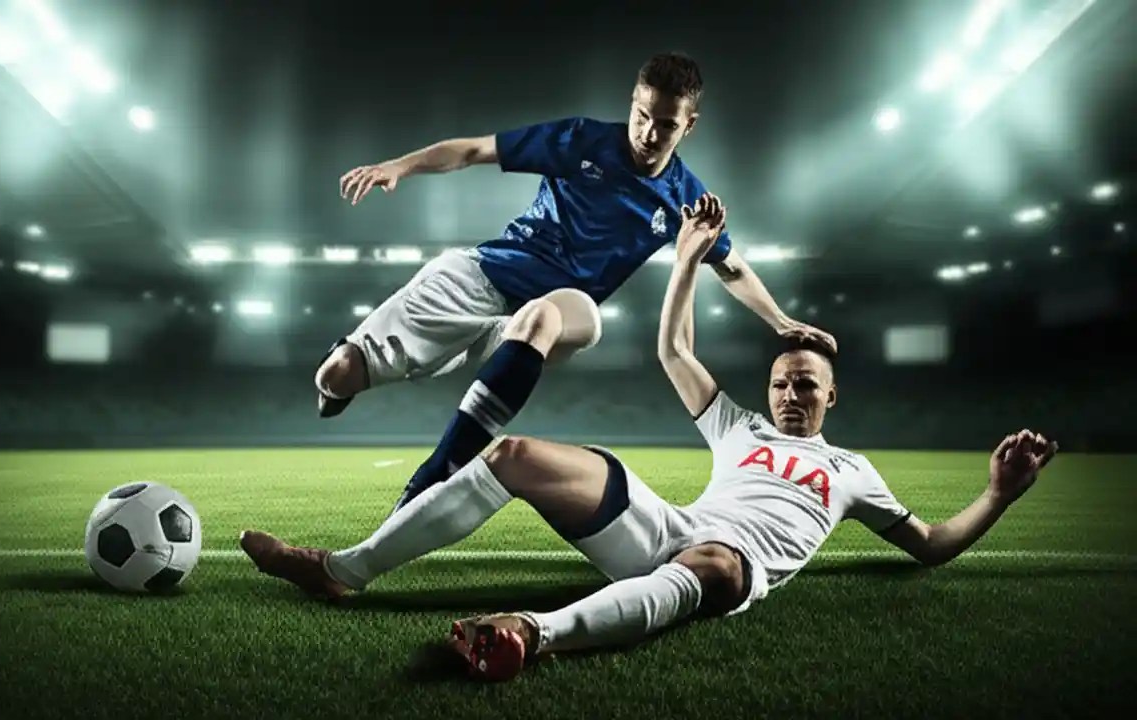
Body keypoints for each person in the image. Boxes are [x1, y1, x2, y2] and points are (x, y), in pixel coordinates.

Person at [240, 193, 1059, 681]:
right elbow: (674, 350)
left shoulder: (850, 471)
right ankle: (341, 571)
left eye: (805, 384)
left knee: (707, 561)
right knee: (514, 455)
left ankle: (533, 632)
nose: (790, 391)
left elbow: (928, 544)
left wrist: (997, 493)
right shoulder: (738, 427)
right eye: (781, 381)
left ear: (832, 394)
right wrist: (688, 260)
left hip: (732, 569)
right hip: (669, 529)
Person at [321, 51, 834, 511]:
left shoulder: (684, 196)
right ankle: (359, 369)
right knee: (337, 374)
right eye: (642, 116)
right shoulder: (580, 140)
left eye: (666, 125)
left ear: (688, 126)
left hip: (550, 312)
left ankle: (436, 475)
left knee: (583, 318)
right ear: (631, 104)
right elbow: (475, 150)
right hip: (480, 277)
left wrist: (783, 322)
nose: (650, 134)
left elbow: (731, 265)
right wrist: (399, 166)